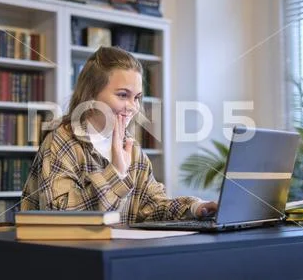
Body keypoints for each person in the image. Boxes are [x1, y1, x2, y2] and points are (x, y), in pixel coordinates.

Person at [21, 46, 217, 224]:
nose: (132, 107)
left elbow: (152, 205)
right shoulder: (61, 142)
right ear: (90, 95)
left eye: (137, 97)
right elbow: (60, 215)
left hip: (115, 253)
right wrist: (115, 173)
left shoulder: (132, 149)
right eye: (123, 95)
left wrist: (195, 207)